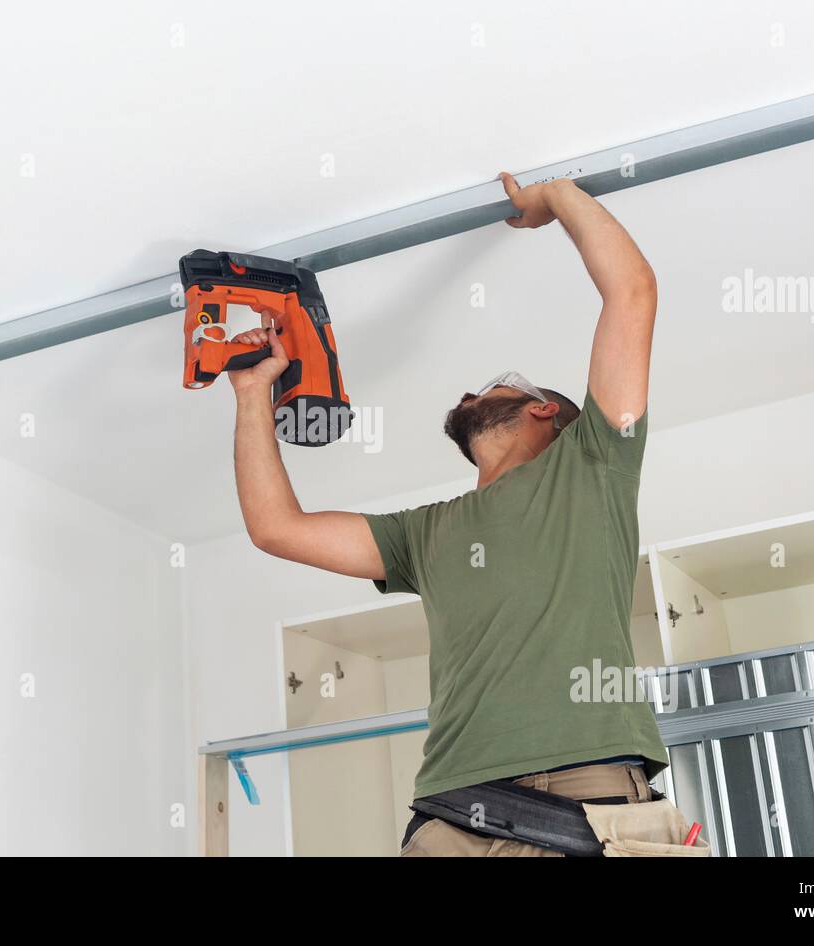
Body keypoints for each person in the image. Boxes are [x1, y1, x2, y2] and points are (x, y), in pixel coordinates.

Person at [226, 173, 681, 856]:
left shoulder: (593, 465)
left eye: (496, 383)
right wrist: (253, 392)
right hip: (452, 820)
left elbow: (632, 292)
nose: (471, 389)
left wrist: (554, 195)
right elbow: (276, 528)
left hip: (586, 803)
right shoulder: (423, 532)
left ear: (544, 409)